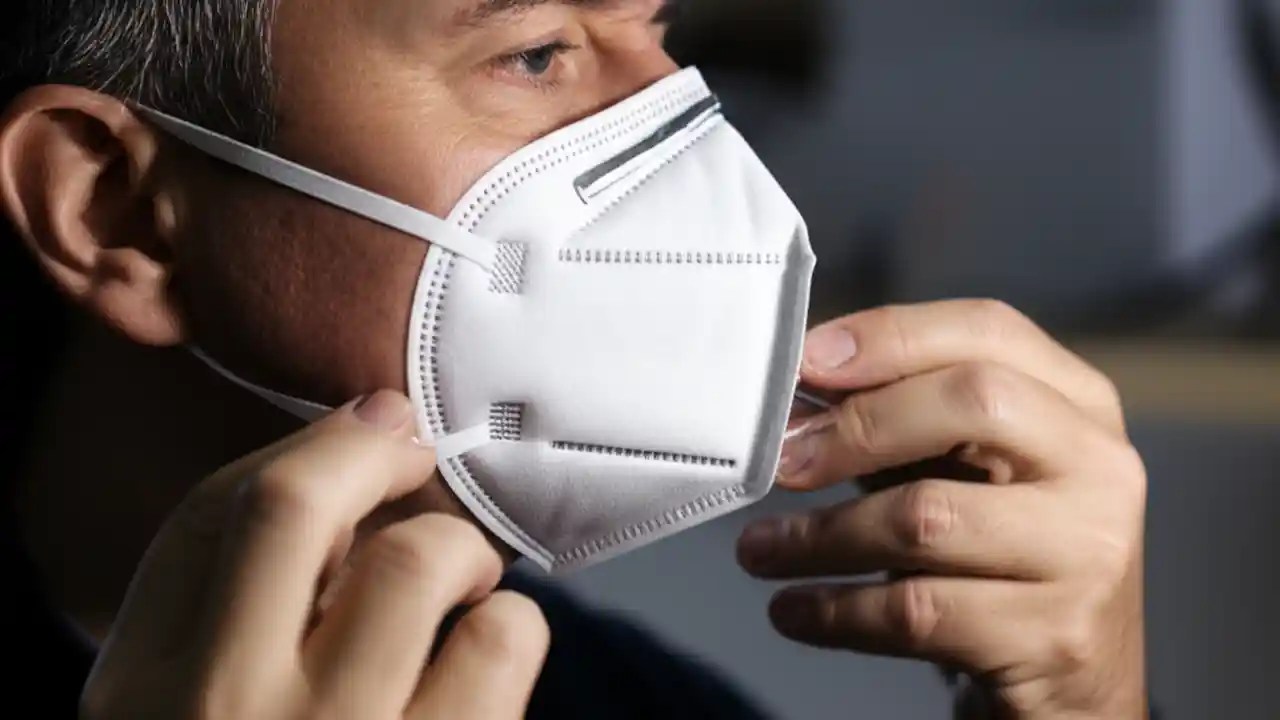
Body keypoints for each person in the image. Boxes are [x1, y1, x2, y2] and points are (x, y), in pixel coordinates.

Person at [0, 1, 1149, 717]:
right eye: (538, 52)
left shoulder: (617, 698)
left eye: (658, 33)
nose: (691, 152)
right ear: (118, 211)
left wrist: (1077, 709)